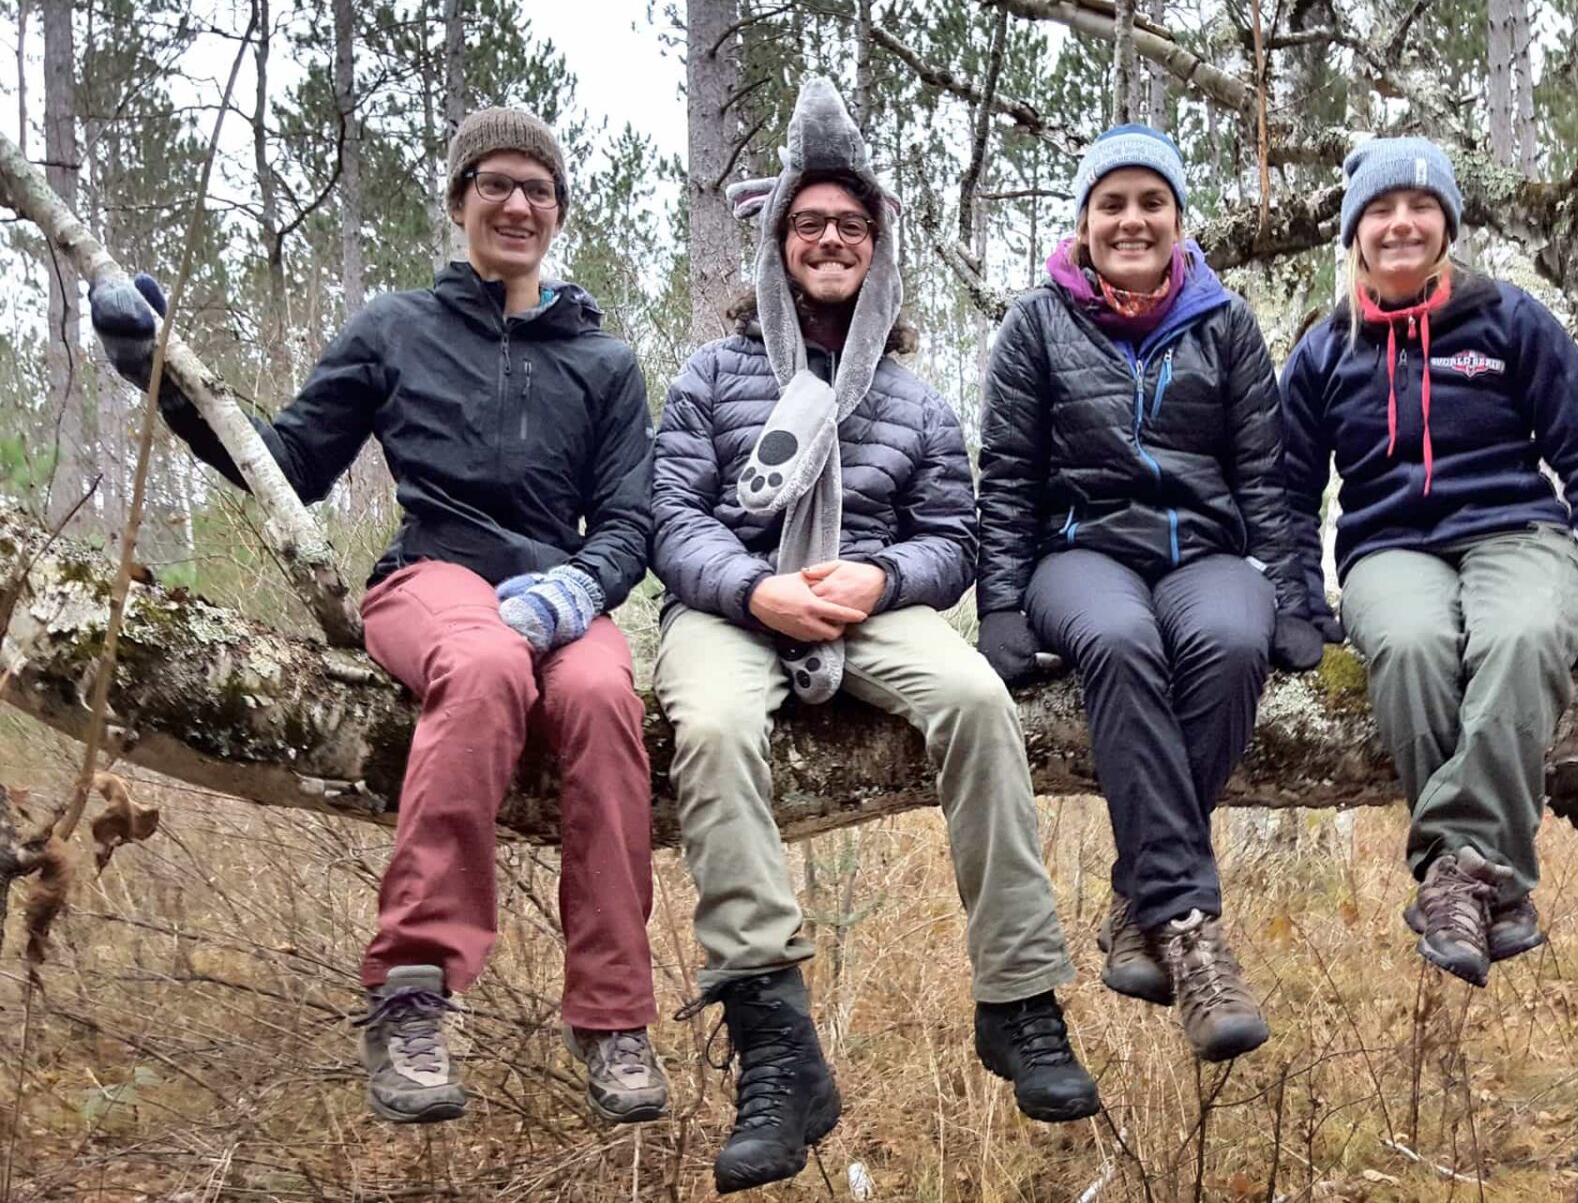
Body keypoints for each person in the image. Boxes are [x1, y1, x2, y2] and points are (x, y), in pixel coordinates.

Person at [88, 108, 666, 1122]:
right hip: (433, 576)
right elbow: (290, 463)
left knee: (603, 698)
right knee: (484, 663)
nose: (518, 204)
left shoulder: (605, 363)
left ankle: (614, 1019)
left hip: (562, 595)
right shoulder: (395, 328)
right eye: (495, 182)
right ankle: (412, 992)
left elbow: (628, 518)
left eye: (538, 188)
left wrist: (577, 589)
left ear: (559, 211)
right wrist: (164, 376)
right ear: (459, 200)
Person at [650, 78, 1100, 1195]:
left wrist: (882, 575)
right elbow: (672, 518)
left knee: (979, 700)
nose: (830, 241)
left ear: (878, 249)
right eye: (809, 223)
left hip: (873, 606)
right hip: (732, 606)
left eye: (851, 225)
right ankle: (775, 1043)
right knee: (712, 725)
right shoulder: (713, 375)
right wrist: (756, 590)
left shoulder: (915, 400)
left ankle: (1019, 1000)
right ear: (776, 242)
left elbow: (955, 535)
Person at [974, 124, 1325, 1063]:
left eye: (1151, 202)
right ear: (1085, 222)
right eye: (1112, 204)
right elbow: (1006, 474)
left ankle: (1140, 898)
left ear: (1177, 218)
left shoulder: (1226, 323)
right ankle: (1194, 935)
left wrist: (1293, 595)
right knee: (1123, 640)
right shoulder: (1037, 322)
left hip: (1204, 552)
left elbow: (1264, 475)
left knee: (1234, 640)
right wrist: (999, 604)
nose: (1132, 220)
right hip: (1078, 553)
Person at [1277, 136, 1578, 987]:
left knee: (1520, 636)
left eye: (1421, 207)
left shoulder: (1510, 319)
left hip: (1516, 532)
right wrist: (1297, 600)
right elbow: (1285, 490)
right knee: (1412, 647)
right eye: (1381, 209)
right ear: (1354, 230)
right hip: (1388, 547)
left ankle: (1458, 880)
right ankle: (1496, 888)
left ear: (1447, 223)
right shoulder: (1325, 350)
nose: (1401, 224)